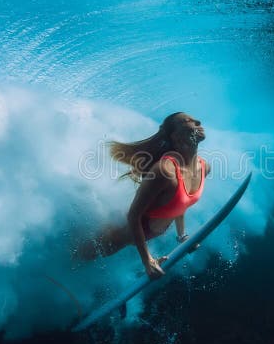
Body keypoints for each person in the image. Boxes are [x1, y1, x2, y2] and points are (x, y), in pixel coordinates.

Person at [77, 112, 211, 279]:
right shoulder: (164, 171)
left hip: (146, 234)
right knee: (77, 258)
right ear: (176, 136)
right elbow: (133, 215)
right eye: (189, 121)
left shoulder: (204, 167)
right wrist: (148, 261)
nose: (198, 121)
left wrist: (182, 236)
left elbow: (180, 203)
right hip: (119, 235)